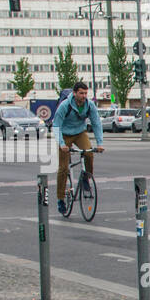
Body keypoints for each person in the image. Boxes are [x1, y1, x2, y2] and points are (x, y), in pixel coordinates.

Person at [51, 82, 104, 216]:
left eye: (86, 93)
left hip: (80, 132)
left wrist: (100, 143)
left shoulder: (89, 105)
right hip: (64, 134)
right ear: (74, 93)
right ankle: (60, 199)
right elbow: (56, 125)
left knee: (89, 153)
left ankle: (86, 178)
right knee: (63, 168)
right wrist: (62, 144)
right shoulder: (65, 106)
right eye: (81, 93)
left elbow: (96, 123)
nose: (84, 96)